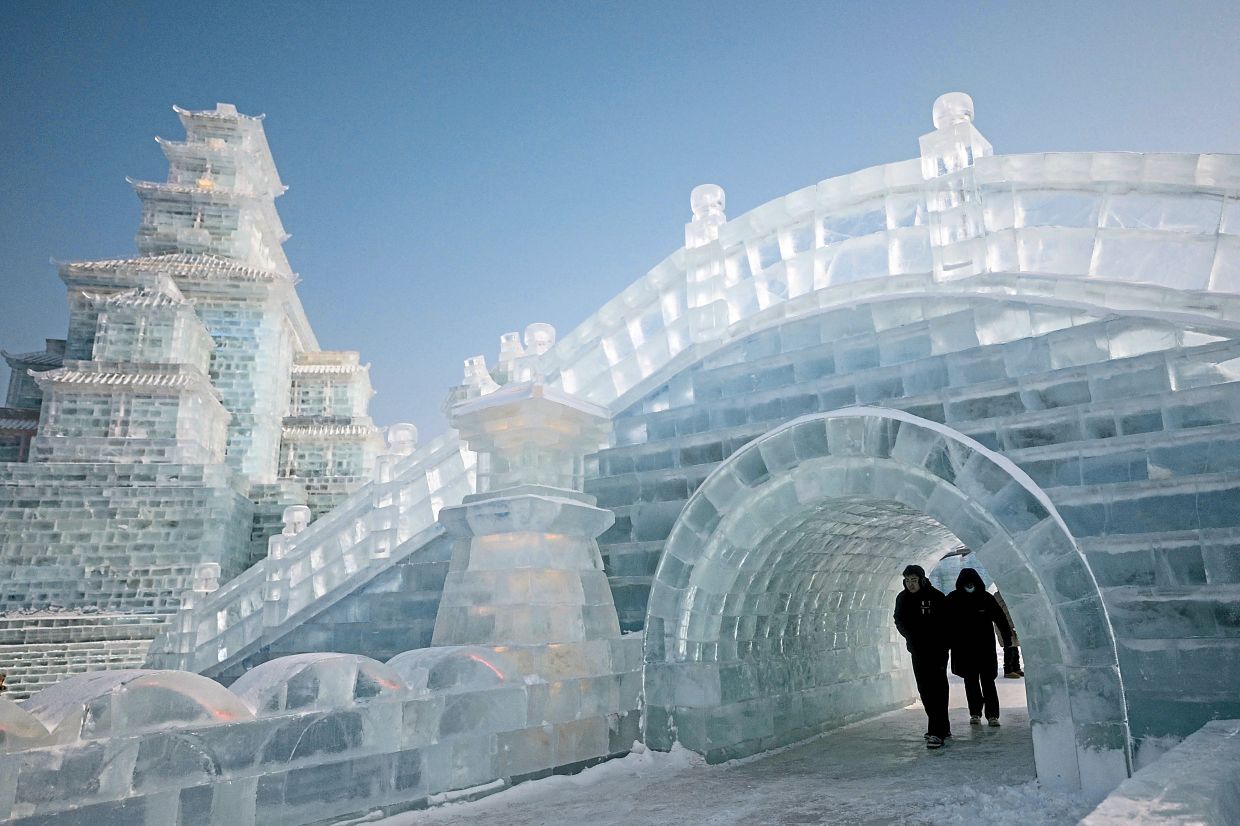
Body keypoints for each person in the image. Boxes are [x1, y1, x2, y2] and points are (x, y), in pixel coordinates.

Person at [893, 563, 951, 749]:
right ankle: (941, 726)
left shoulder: (935, 597)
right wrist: (909, 636)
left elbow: (948, 622)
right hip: (918, 651)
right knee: (925, 689)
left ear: (922, 579)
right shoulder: (902, 598)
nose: (910, 584)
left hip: (937, 651)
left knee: (938, 689)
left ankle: (937, 731)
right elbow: (898, 619)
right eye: (907, 580)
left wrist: (944, 643)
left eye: (914, 580)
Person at [946, 568, 1013, 726]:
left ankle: (992, 715)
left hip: (985, 648)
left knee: (988, 681)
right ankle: (975, 712)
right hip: (964, 649)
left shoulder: (985, 598)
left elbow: (1000, 618)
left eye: (972, 583)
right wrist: (945, 641)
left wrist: (1008, 638)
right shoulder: (953, 599)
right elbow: (943, 621)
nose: (970, 586)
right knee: (971, 682)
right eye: (966, 583)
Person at [992, 590, 1024, 678]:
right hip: (1003, 626)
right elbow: (1004, 613)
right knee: (1009, 648)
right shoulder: (998, 597)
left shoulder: (1007, 595)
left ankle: (1016, 668)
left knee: (1014, 648)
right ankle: (1008, 670)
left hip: (1010, 626)